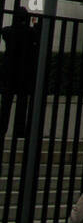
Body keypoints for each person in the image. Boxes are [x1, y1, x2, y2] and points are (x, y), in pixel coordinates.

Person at [0, 7, 40, 144]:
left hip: (9, 72)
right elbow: (36, 35)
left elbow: (5, 32)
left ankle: (2, 128)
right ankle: (19, 130)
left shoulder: (7, 31)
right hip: (24, 73)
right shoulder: (30, 33)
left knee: (5, 104)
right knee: (22, 104)